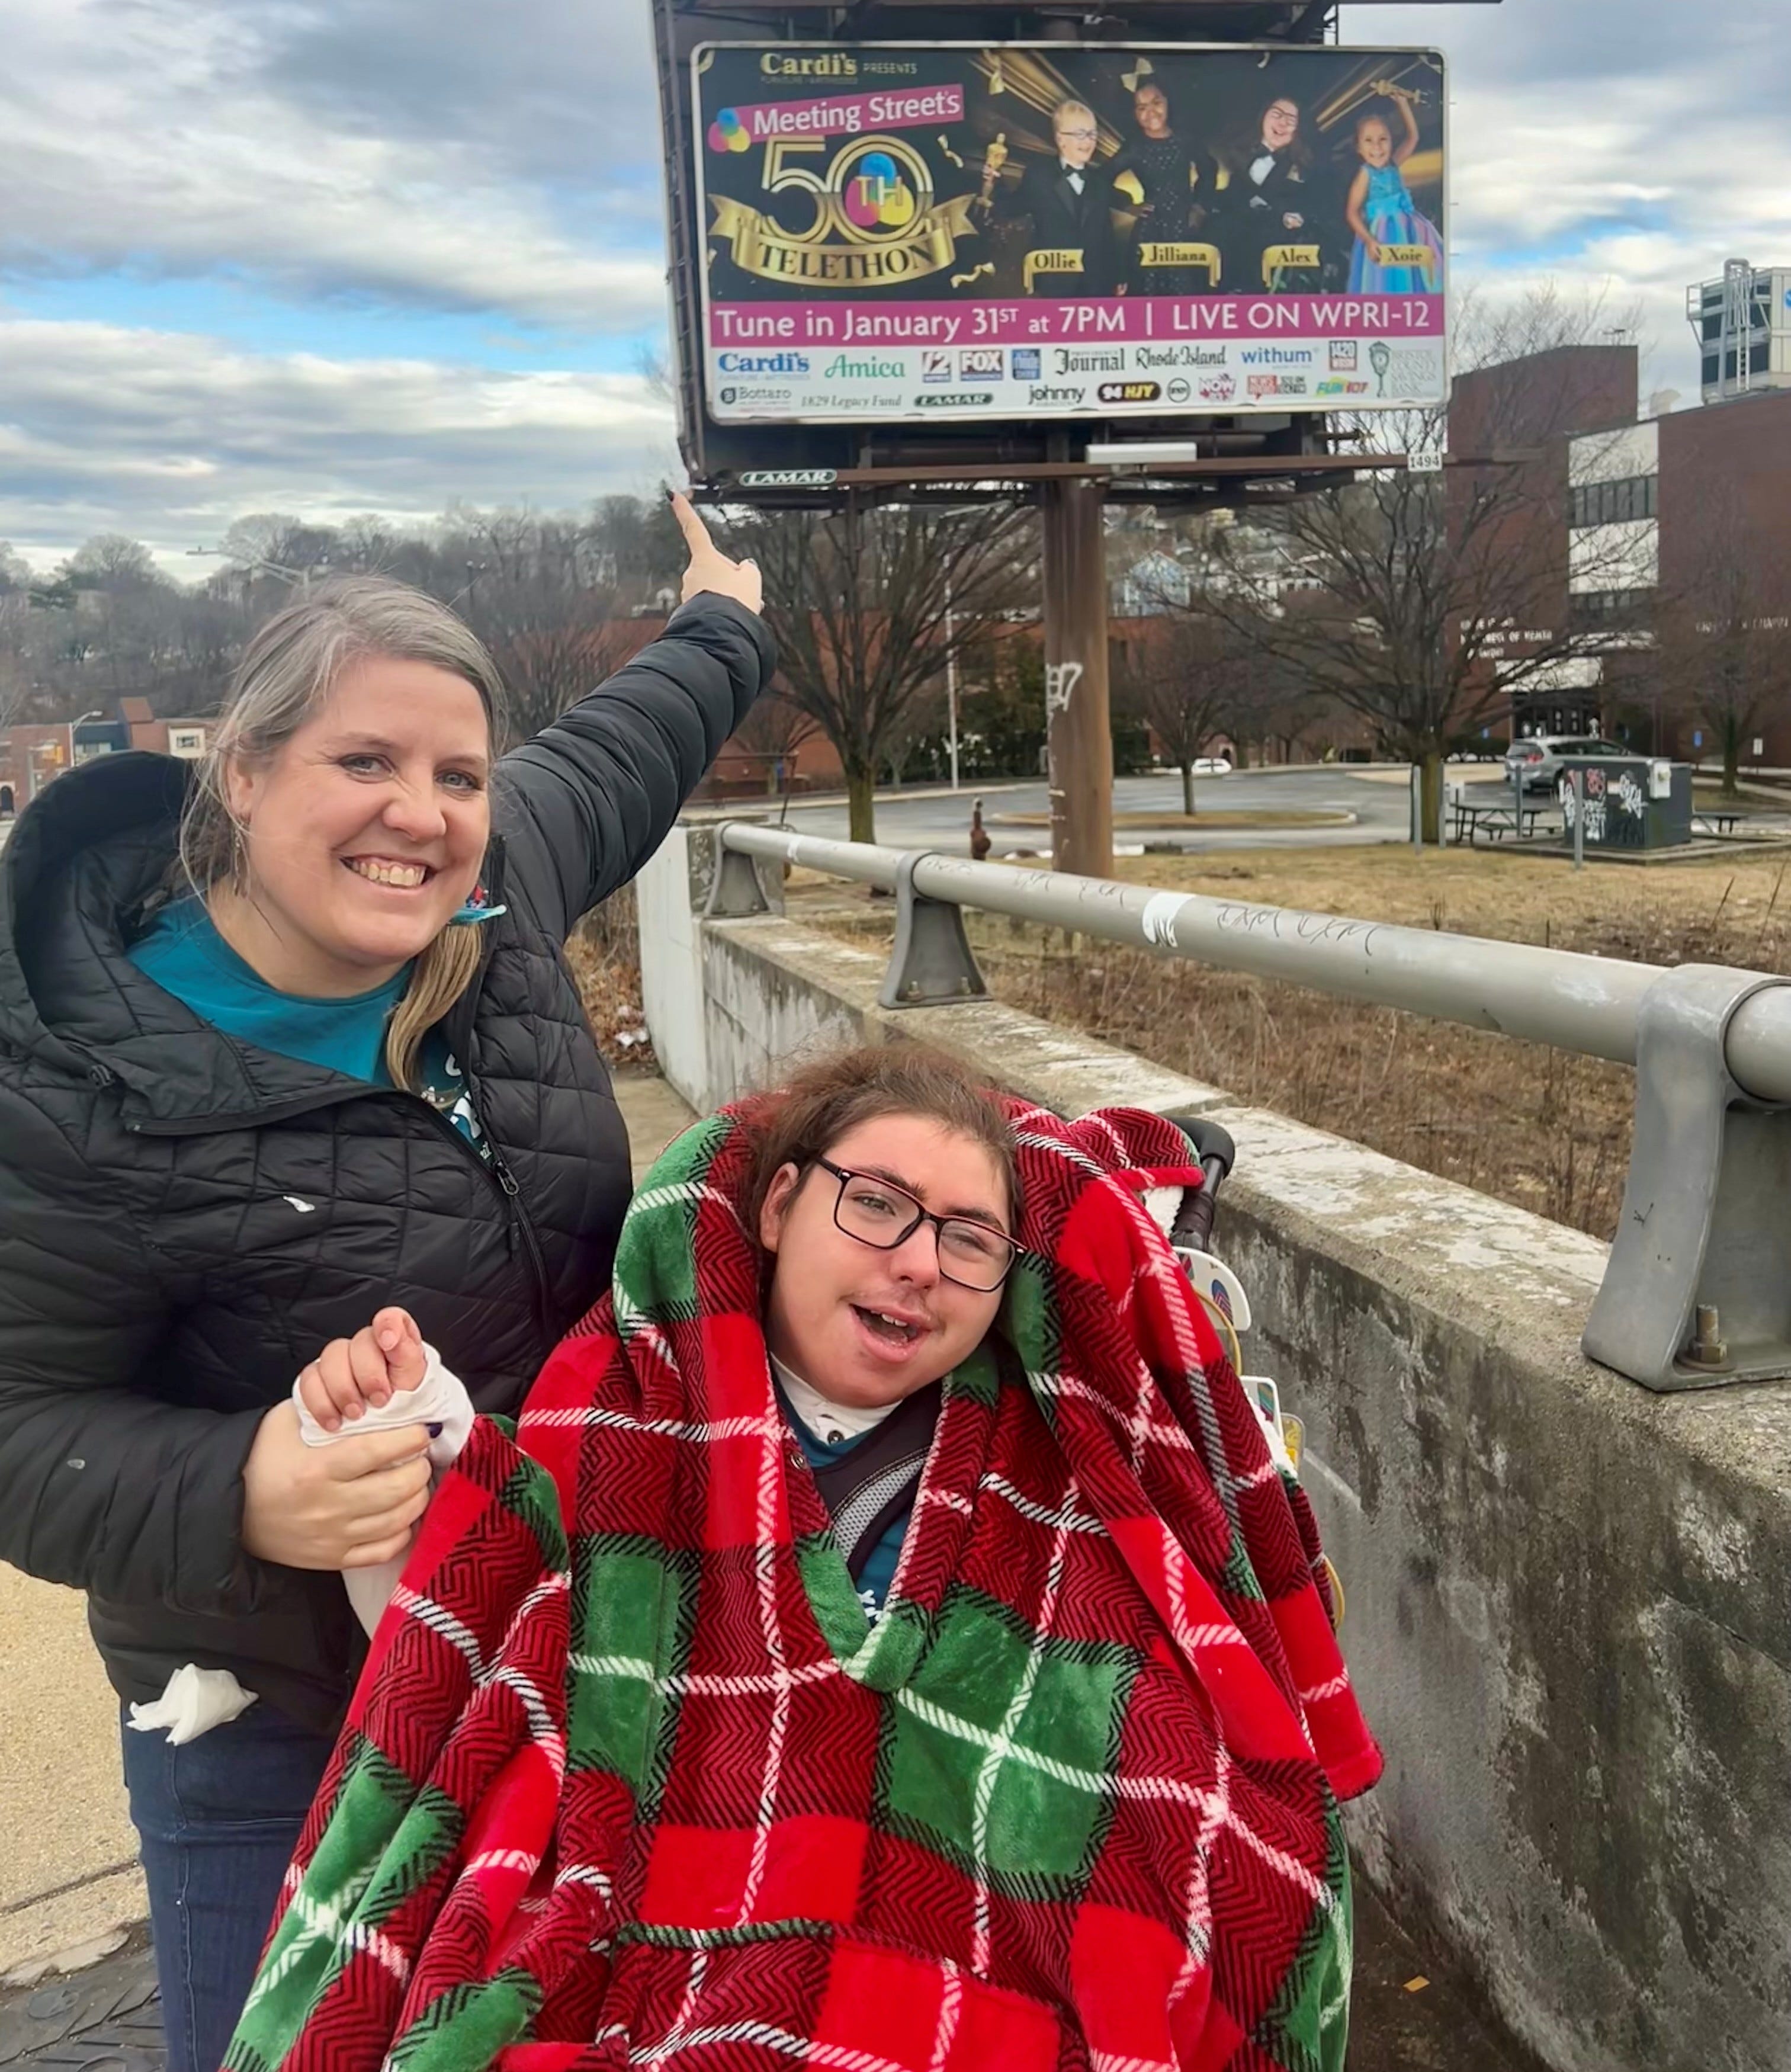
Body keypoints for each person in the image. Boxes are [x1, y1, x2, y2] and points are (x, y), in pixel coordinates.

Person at [0, 497, 771, 2072]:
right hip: (279, 1720)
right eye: (363, 761)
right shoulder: (69, 1080)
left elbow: (632, 740)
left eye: (457, 776)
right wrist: (242, 1486)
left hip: (567, 1652)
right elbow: (19, 1421)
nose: (418, 814)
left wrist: (724, 618)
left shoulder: (494, 901)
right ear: (241, 773)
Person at [235, 1046, 1381, 2072]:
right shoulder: (624, 1408)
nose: (919, 1262)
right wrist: (404, 1445)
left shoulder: (1053, 1461)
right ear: (780, 1203)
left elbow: (1150, 1744)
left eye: (969, 1238)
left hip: (968, 1956)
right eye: (876, 1203)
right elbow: (480, 1668)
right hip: (669, 1934)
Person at [982, 97, 1122, 297]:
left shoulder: (1100, 183)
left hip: (1096, 286)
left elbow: (1106, 234)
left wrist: (1118, 276)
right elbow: (1010, 208)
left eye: (1092, 134)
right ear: (1061, 139)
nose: (1088, 141)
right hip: (1055, 284)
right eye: (1080, 134)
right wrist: (994, 182)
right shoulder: (1039, 176)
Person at [1107, 78, 1215, 294]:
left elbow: (1209, 170)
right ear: (1134, 114)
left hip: (1186, 227)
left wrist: (1199, 206)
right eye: (1142, 107)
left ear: (1168, 102)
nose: (1151, 112)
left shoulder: (1186, 139)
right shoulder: (1134, 147)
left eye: (1156, 103)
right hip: (1151, 231)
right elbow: (1100, 180)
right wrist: (1128, 205)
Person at [1344, 85, 1443, 294]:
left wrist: (1403, 104)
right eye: (1369, 141)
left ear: (1391, 141)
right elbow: (1352, 212)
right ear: (1359, 148)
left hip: (1411, 229)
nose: (1377, 147)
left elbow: (1413, 137)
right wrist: (1369, 241)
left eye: (1383, 139)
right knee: (1389, 281)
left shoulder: (1394, 165)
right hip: (1383, 235)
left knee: (1418, 275)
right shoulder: (1365, 174)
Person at [1215, 93, 1316, 292]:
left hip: (1272, 242)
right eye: (1277, 114)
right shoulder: (1232, 152)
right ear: (1263, 116)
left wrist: (1295, 216)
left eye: (1291, 120)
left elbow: (1308, 202)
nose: (1282, 123)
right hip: (1231, 238)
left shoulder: (1303, 164)